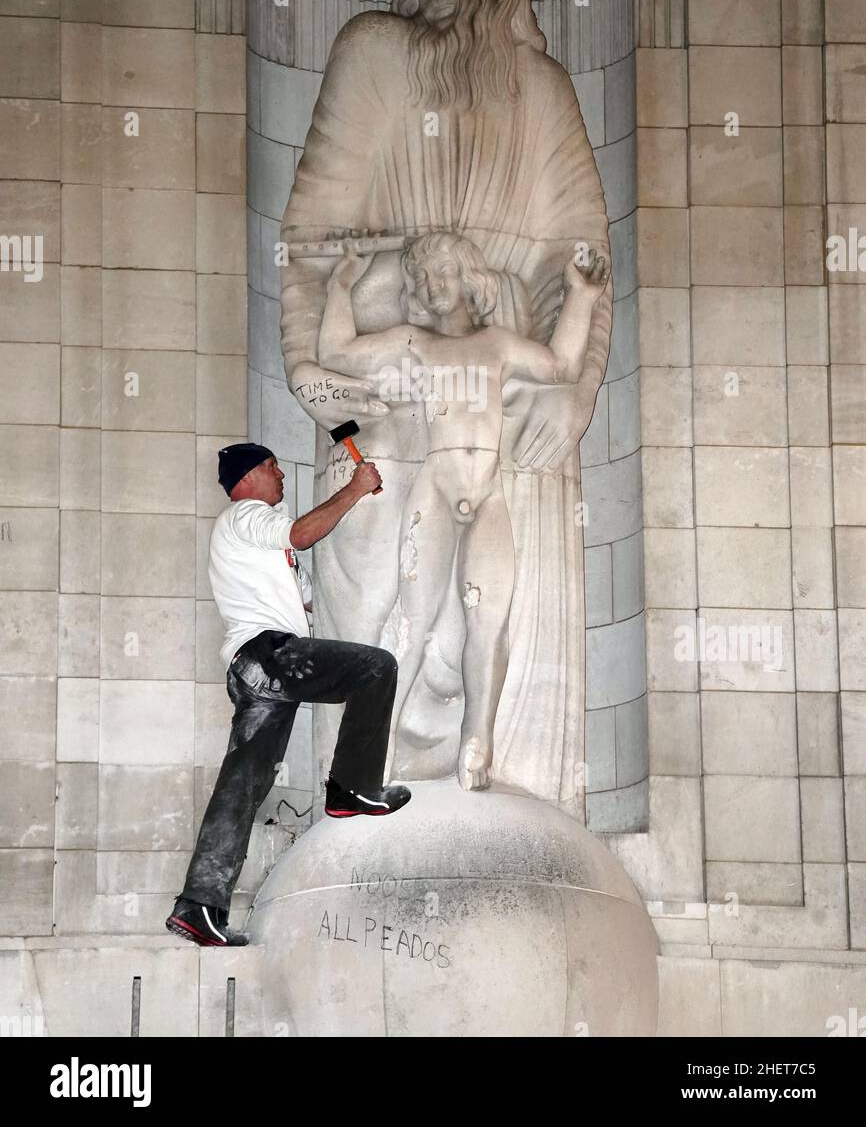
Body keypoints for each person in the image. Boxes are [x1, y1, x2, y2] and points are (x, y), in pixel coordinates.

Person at [319, 231, 610, 791]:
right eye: (425, 278)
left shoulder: (497, 344)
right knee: (413, 621)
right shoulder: (414, 342)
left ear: (469, 276)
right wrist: (340, 285)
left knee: (489, 621)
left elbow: (562, 365)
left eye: (445, 272)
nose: (435, 285)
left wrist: (581, 295)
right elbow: (335, 352)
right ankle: (373, 751)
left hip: (488, 494)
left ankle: (477, 743)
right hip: (434, 488)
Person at [165, 442, 410, 948]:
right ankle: (351, 789)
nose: (281, 475)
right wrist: (356, 489)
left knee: (242, 789)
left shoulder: (250, 537)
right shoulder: (247, 514)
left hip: (254, 671)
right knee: (376, 668)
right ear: (248, 476)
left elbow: (292, 584)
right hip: (270, 655)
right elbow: (301, 533)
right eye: (273, 467)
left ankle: (199, 907)